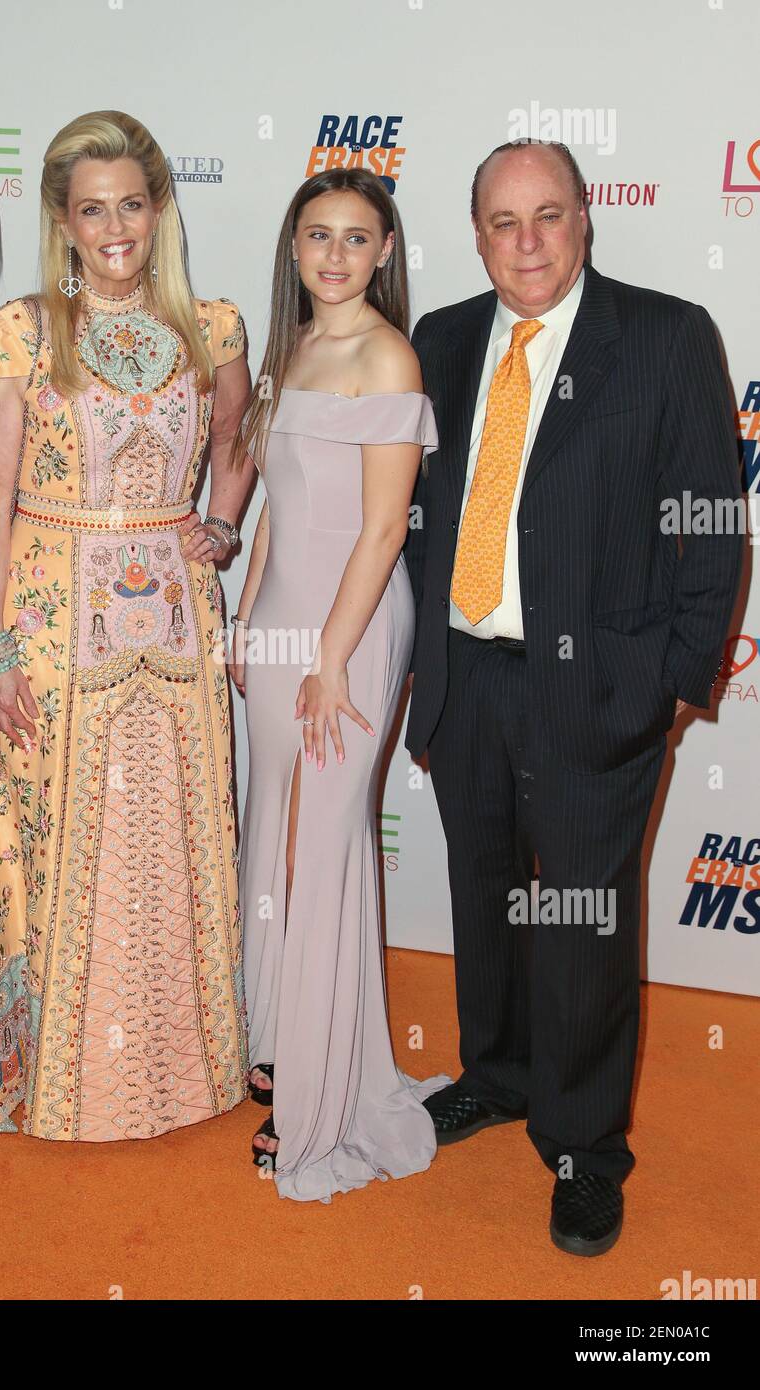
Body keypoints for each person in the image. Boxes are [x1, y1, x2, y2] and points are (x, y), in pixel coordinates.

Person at [403, 139, 743, 1254]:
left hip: (594, 692)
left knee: (582, 926)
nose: (528, 242)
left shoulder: (662, 335)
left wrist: (669, 683)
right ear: (476, 235)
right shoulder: (442, 341)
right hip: (464, 682)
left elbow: (708, 518)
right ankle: (495, 1073)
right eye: (504, 222)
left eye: (547, 215)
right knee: (487, 899)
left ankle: (583, 1146)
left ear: (585, 217)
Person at [0, 110, 255, 1141]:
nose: (114, 227)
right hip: (46, 617)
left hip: (172, 620)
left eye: (130, 203)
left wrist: (218, 522)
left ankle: (184, 1064)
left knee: (171, 836)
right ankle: (58, 1076)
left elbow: (236, 440)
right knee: (51, 839)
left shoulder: (212, 326)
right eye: (92, 210)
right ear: (62, 221)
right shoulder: (20, 331)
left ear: (158, 208)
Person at [230, 168, 450, 1202]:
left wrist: (325, 655)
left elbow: (378, 526)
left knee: (322, 842)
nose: (332, 255)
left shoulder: (384, 355)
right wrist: (243, 617)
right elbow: (275, 501)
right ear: (293, 247)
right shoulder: (289, 351)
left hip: (350, 626)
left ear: (384, 253)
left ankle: (321, 1096)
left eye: (354, 239)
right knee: (271, 821)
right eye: (315, 235)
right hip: (278, 613)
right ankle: (276, 1033)